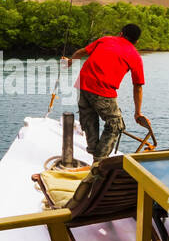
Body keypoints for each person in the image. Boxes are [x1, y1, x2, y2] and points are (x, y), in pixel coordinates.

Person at [64, 23, 150, 159]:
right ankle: (99, 162)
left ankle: (93, 149)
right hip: (102, 90)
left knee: (89, 118)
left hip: (83, 85)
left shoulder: (106, 40)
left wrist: (69, 62)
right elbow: (138, 86)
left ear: (121, 33)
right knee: (116, 125)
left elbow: (81, 52)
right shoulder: (135, 56)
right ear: (137, 41)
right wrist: (137, 112)